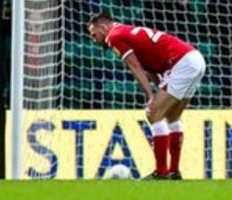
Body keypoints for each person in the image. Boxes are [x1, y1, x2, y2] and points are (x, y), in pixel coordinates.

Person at [87, 12, 206, 180]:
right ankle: (173, 171)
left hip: (180, 62)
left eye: (94, 34)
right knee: (172, 116)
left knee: (153, 113)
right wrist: (159, 90)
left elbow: (135, 67)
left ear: (103, 27)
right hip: (194, 59)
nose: (94, 39)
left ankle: (161, 172)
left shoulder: (113, 37)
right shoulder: (125, 31)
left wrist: (150, 96)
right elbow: (149, 66)